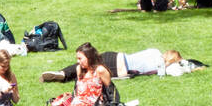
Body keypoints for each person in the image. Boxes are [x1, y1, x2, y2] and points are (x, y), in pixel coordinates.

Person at [14, 44, 112, 106]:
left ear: (89, 57)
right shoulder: (79, 69)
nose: (78, 62)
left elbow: (111, 91)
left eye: (80, 58)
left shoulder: (100, 70)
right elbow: (78, 91)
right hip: (76, 105)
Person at [41, 48, 201, 81]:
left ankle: (62, 73)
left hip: (116, 56)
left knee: (86, 63)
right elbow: (174, 72)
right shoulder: (163, 67)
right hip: (118, 68)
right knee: (89, 72)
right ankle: (66, 76)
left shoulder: (154, 51)